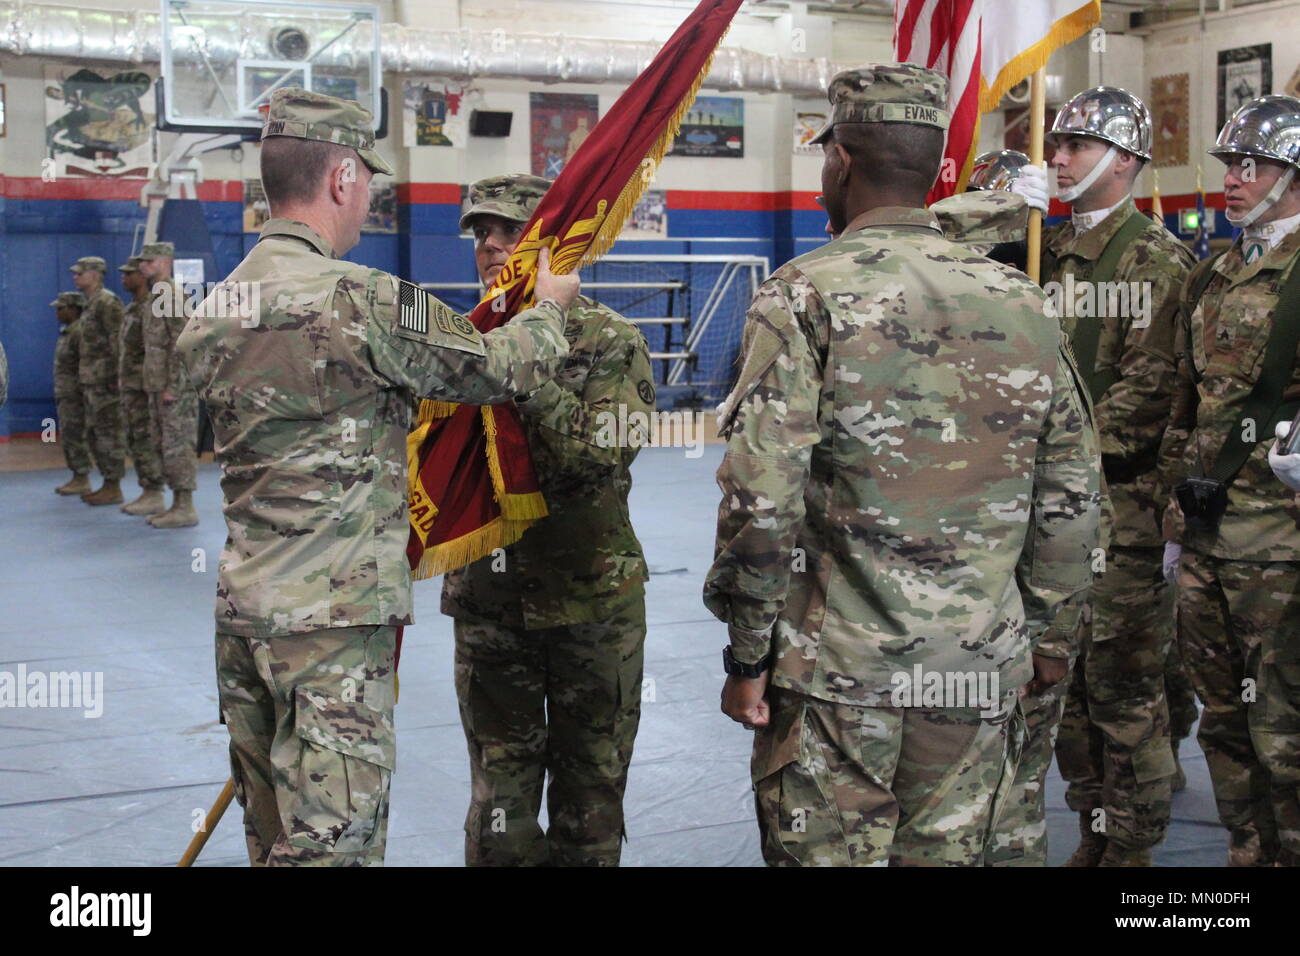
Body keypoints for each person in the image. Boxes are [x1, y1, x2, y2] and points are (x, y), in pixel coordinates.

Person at [704, 63, 1102, 866]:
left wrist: (748, 655)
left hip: (838, 683)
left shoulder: (804, 295)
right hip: (977, 670)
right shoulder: (1023, 300)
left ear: (840, 160)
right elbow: (1071, 495)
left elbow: (760, 502)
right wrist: (1052, 640)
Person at [177, 88, 578, 867]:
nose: (370, 199)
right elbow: (499, 368)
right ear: (341, 180)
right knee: (336, 846)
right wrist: (549, 309)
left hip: (245, 617)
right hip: (332, 627)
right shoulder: (369, 299)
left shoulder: (213, 309)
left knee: (273, 838)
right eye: (369, 181)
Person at [990, 86, 1196, 867]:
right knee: (1063, 693)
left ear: (1127, 161)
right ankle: (1093, 831)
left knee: (1124, 698)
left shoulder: (1154, 259)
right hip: (1050, 517)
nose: (1059, 156)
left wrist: (1045, 456)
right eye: (1058, 143)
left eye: (1077, 145)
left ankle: (1134, 850)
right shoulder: (1046, 251)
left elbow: (1149, 394)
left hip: (1120, 513)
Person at [441, 174, 654, 866]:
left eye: (509, 231)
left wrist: (527, 364)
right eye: (480, 233)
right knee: (499, 805)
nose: (492, 245)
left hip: (591, 604)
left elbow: (596, 457)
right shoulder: (461, 341)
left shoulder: (611, 342)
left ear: (553, 244)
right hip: (491, 607)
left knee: (590, 799)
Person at [1158, 93, 1300, 867]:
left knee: (1284, 726)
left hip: (1281, 545)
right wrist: (1174, 522)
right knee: (1223, 719)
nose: (1233, 180)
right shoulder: (1212, 273)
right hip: (1208, 537)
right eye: (1230, 165)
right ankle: (1248, 853)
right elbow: (1187, 405)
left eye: (1252, 166)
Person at [139, 241, 200, 528]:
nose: (143, 266)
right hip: (157, 384)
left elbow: (184, 344)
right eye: (143, 261)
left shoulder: (171, 295)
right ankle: (173, 502)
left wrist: (173, 386)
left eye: (149, 261)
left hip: (174, 388)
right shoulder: (156, 295)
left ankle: (185, 506)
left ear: (165, 261)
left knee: (178, 445)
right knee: (162, 444)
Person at [70, 255, 125, 505]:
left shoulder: (107, 302)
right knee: (94, 432)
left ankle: (113, 485)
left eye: (80, 273)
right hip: (91, 381)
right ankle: (106, 481)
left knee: (108, 433)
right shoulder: (89, 304)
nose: (75, 277)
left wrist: (116, 376)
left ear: (95, 274)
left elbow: (118, 341)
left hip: (105, 381)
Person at [117, 256, 166, 515]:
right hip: (132, 386)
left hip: (146, 385)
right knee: (135, 438)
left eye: (129, 273)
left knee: (147, 438)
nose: (124, 278)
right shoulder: (133, 308)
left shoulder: (155, 304)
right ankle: (147, 489)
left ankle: (155, 491)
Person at [50, 292, 94, 495]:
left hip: (76, 394)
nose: (57, 313)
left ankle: (82, 477)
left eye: (61, 308)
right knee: (69, 435)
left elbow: (85, 363)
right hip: (66, 394)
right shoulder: (68, 331)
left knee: (76, 435)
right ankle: (78, 475)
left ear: (74, 309)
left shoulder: (80, 332)